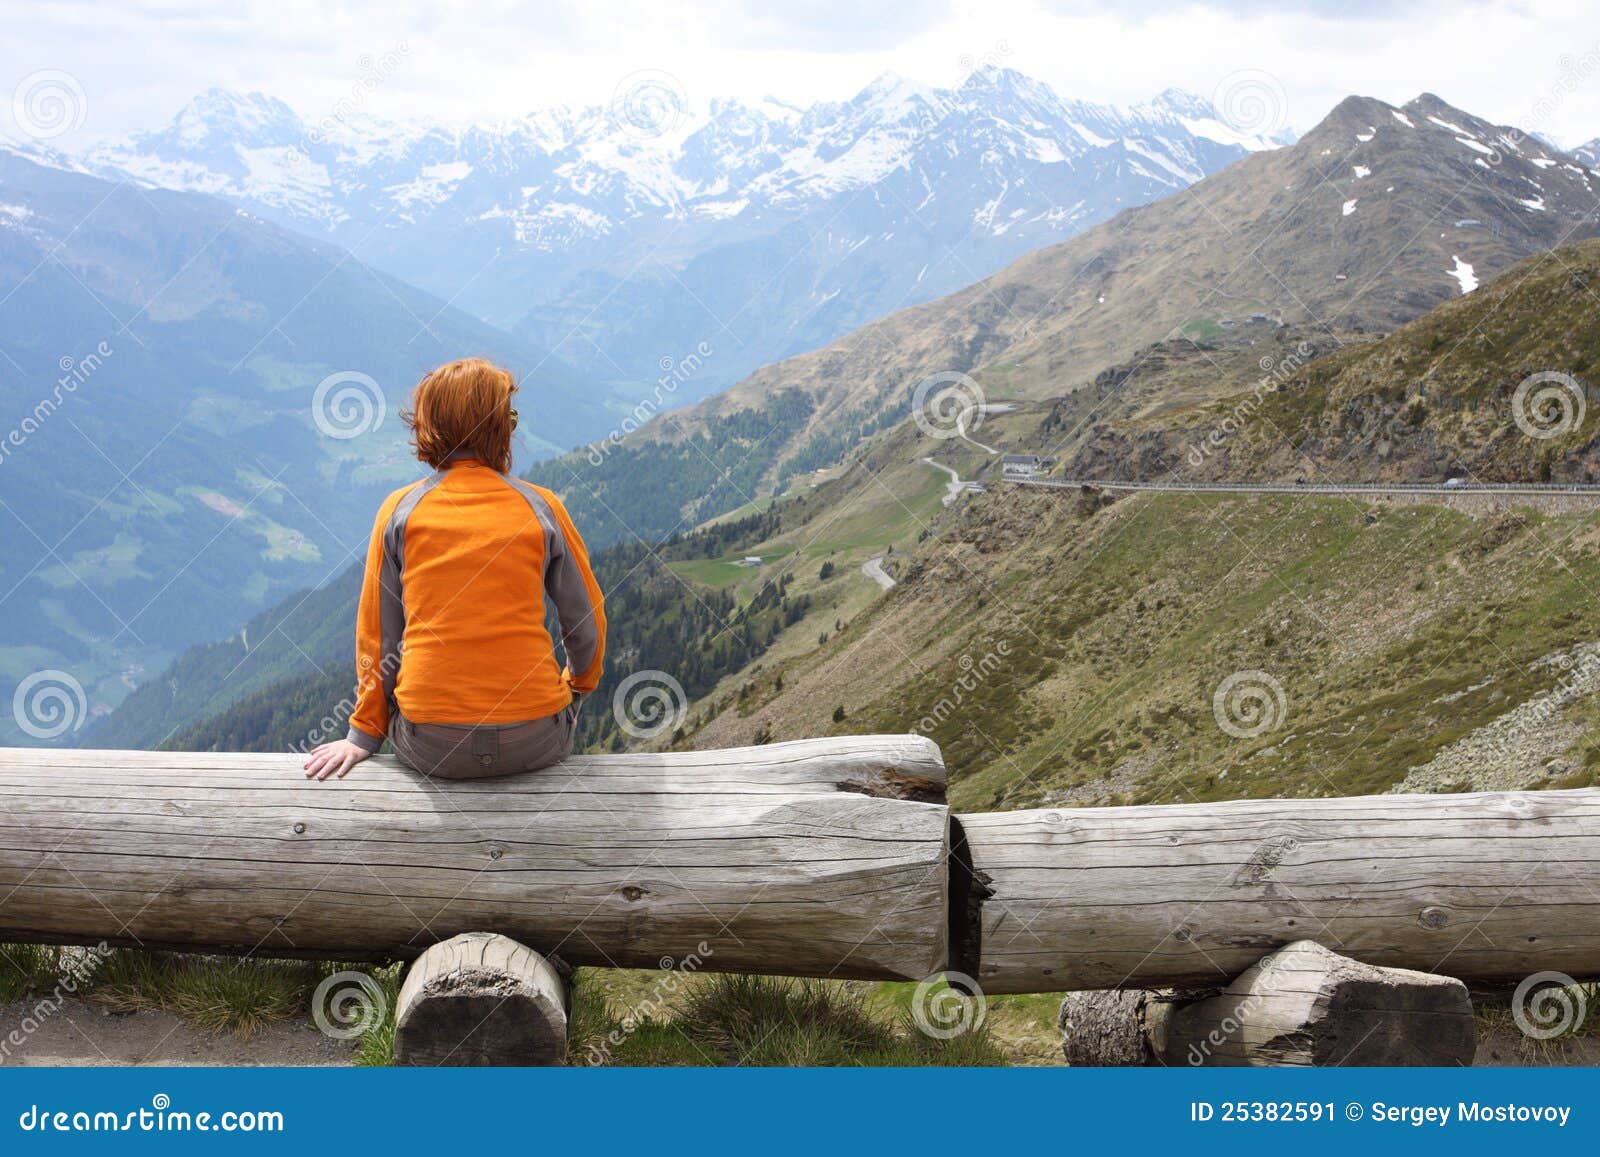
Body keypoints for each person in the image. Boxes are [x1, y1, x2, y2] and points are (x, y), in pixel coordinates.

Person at [303, 357, 605, 781]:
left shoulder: (399, 512)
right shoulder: (543, 508)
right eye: (510, 419)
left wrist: (364, 734)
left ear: (428, 428)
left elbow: (379, 635)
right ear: (500, 429)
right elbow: (585, 621)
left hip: (431, 747)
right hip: (536, 739)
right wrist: (578, 686)